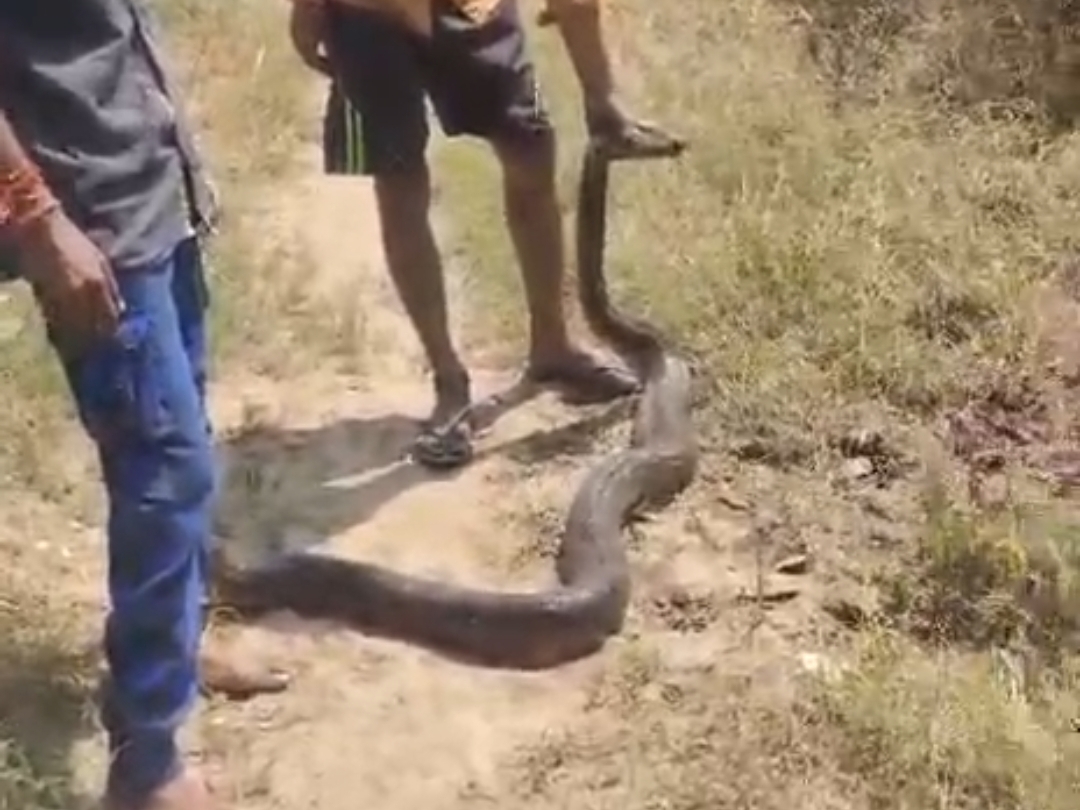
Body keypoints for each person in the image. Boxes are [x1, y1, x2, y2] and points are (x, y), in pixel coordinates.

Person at [0, 3, 287, 808]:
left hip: (154, 194)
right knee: (165, 473)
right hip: (91, 223)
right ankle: (147, 765)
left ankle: (172, 664)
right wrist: (38, 220)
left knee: (184, 447)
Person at [288, 0, 683, 467]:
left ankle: (553, 348)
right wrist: (308, 17)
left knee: (532, 146)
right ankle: (449, 381)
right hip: (366, 16)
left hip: (475, 10)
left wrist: (601, 95)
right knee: (399, 183)